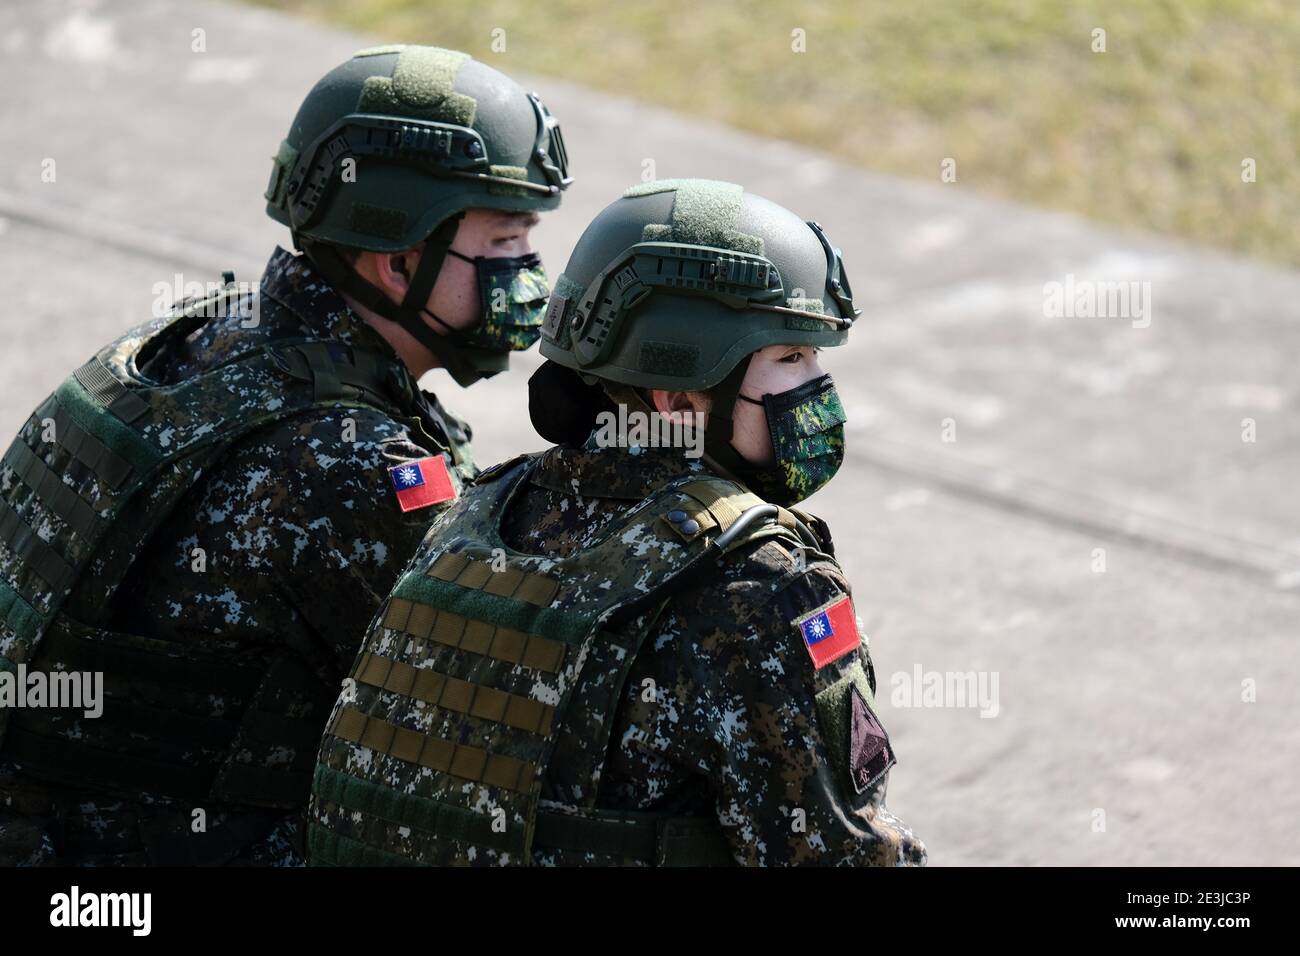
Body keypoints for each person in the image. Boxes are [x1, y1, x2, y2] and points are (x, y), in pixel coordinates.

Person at [0, 44, 572, 865]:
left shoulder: (204, 332)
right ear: (399, 257)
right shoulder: (346, 463)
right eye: (506, 243)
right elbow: (508, 713)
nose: (531, 276)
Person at [307, 179, 927, 866]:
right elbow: (839, 856)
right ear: (681, 398)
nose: (818, 388)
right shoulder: (760, 587)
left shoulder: (479, 513)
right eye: (789, 358)